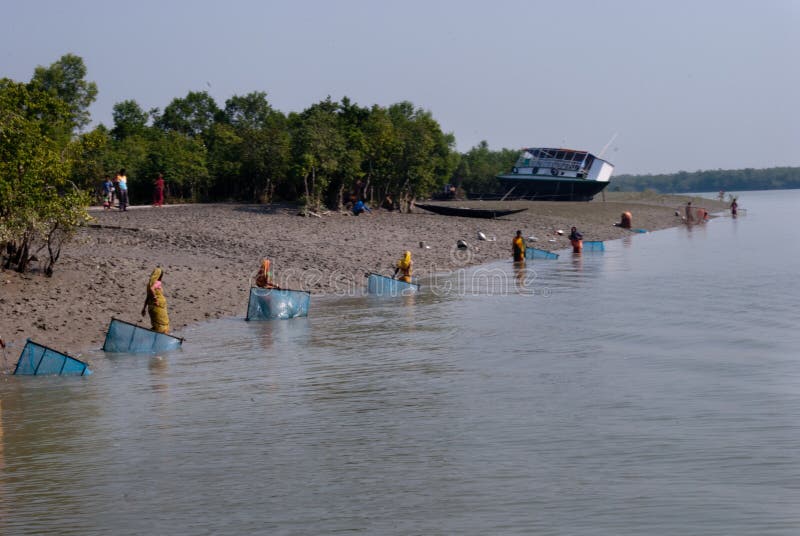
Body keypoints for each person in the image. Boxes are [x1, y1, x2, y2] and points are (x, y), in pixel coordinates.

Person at [141, 267, 170, 334]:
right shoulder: (157, 283)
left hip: (151, 307)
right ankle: (161, 340)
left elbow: (148, 296)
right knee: (164, 324)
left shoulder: (150, 283)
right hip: (158, 307)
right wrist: (156, 299)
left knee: (156, 324)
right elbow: (152, 289)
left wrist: (144, 308)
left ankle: (149, 336)